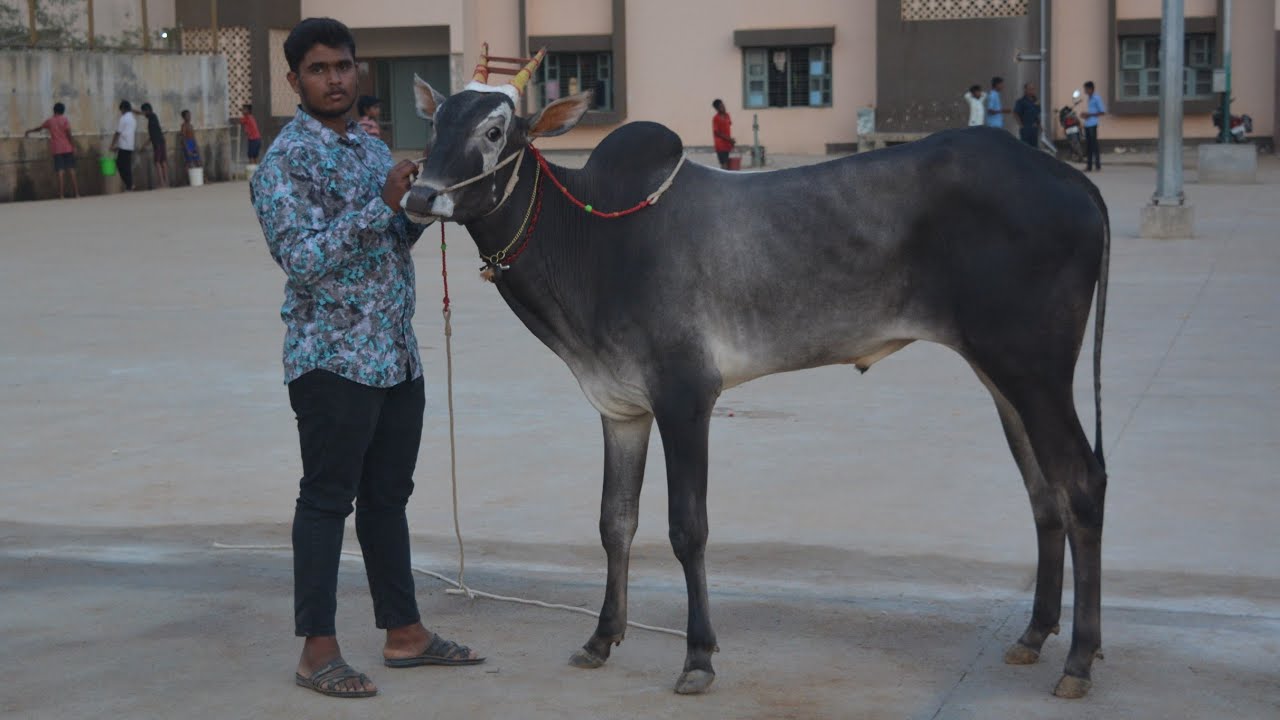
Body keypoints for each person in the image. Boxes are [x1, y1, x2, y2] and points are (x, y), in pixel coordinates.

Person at [248, 17, 484, 700]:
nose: (335, 79)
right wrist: (377, 209)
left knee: (388, 499)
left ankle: (404, 633)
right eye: (319, 69)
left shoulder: (369, 149)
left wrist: (413, 207)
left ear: (359, 71)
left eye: (343, 66)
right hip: (331, 360)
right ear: (295, 81)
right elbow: (301, 260)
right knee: (326, 501)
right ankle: (316, 651)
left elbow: (389, 243)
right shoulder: (283, 163)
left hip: (394, 356)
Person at [24, 102, 79, 199]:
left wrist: (29, 131)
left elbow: (39, 128)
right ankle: (77, 194)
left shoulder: (50, 121)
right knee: (71, 170)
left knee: (60, 172)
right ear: (63, 111)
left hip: (57, 149)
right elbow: (69, 134)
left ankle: (61, 195)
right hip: (67, 148)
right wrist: (73, 146)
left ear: (54, 110)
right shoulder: (65, 120)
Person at [138, 103, 169, 189]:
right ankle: (166, 182)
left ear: (147, 111)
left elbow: (151, 136)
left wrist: (143, 146)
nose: (143, 114)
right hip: (162, 141)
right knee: (163, 161)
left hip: (157, 143)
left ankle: (161, 183)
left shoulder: (151, 120)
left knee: (157, 162)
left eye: (143, 112)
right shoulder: (154, 116)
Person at [109, 100, 137, 191]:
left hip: (124, 145)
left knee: (120, 165)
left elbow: (118, 132)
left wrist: (112, 145)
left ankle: (130, 184)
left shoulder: (123, 118)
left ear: (124, 109)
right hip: (130, 145)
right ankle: (130, 185)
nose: (121, 112)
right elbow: (127, 133)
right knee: (126, 165)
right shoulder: (133, 119)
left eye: (121, 110)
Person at [1080, 80, 1106, 172]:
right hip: (1087, 124)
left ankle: (1097, 165)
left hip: (1093, 124)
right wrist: (1085, 115)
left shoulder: (1096, 98)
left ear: (1090, 89)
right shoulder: (1089, 98)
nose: (1085, 90)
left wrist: (1089, 115)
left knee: (1094, 145)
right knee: (1088, 146)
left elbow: (1102, 112)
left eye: (1086, 89)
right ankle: (1089, 166)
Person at [1013, 82, 1041, 148]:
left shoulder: (1036, 101)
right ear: (1025, 90)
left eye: (1033, 89)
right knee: (1025, 147)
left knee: (1035, 148)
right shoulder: (1021, 102)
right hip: (1026, 128)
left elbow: (1036, 114)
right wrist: (1021, 125)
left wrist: (1039, 125)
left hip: (1034, 128)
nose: (1032, 91)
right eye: (1030, 89)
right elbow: (1015, 113)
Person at [711, 98, 735, 169]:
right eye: (721, 107)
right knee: (724, 163)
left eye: (723, 105)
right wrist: (729, 139)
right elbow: (717, 132)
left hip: (727, 144)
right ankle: (724, 178)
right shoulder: (716, 118)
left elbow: (728, 126)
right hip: (720, 145)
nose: (723, 107)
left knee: (727, 162)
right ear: (717, 108)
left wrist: (731, 141)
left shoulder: (727, 115)